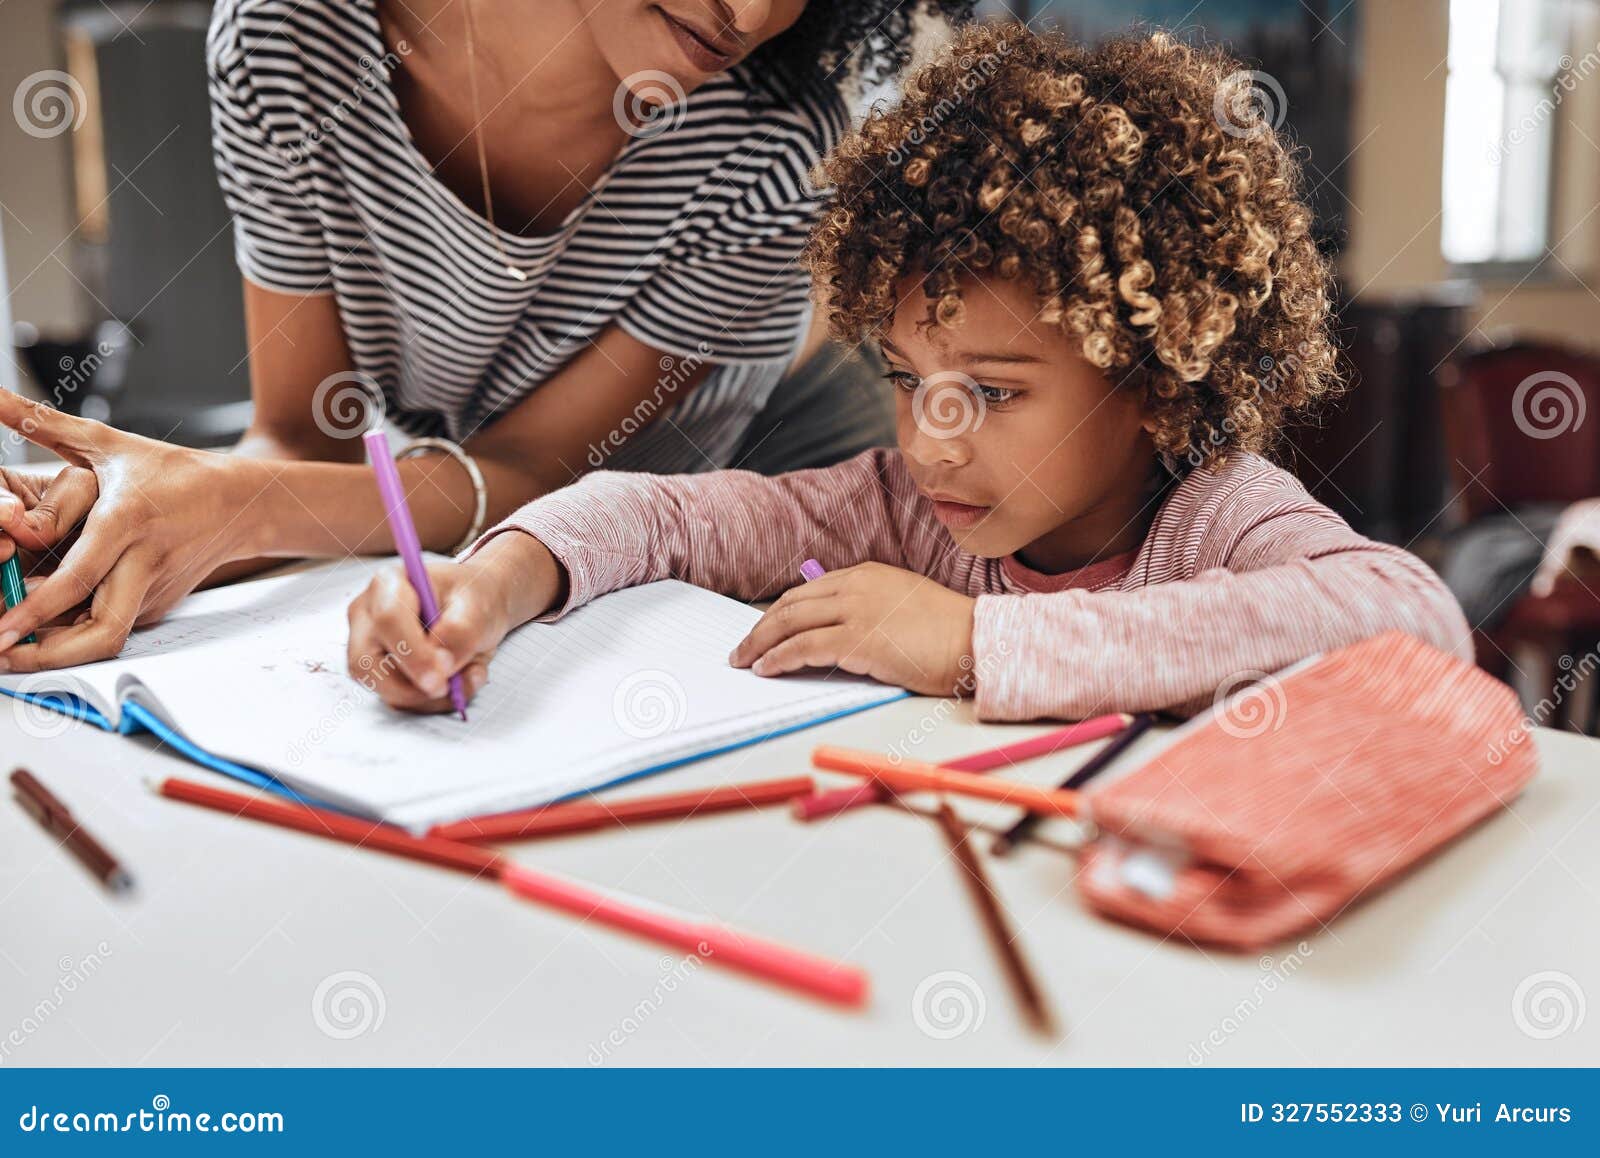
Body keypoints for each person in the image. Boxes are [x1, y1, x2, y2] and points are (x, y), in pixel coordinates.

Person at [346, 23, 1472, 719]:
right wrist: (495, 582)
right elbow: (663, 517)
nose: (930, 440)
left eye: (991, 390)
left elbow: (1412, 624)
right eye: (901, 375)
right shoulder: (895, 511)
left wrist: (972, 644)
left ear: (1156, 384)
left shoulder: (1218, 519)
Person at [0, 0, 972, 672]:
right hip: (475, 509)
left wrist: (237, 503)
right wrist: (131, 521)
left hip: (756, 479)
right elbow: (303, 444)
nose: (754, 14)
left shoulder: (772, 144)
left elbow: (545, 468)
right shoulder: (286, 38)